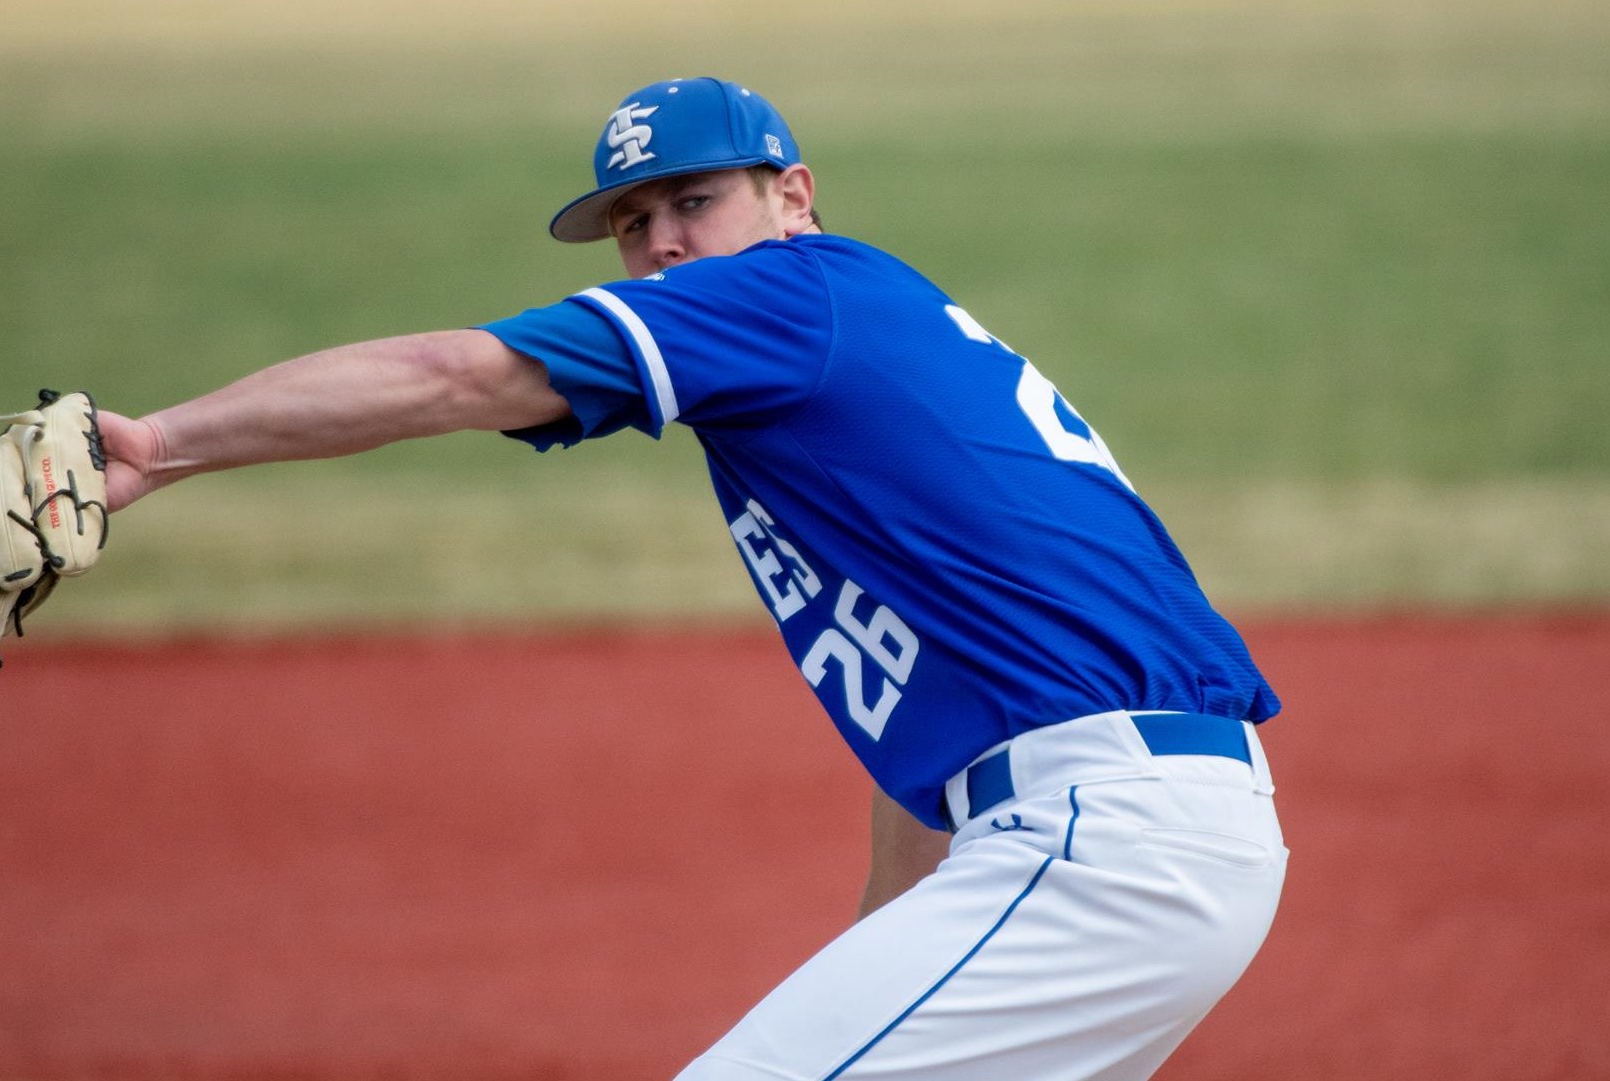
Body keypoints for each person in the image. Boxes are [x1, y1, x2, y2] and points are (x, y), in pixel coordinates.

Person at [97, 77, 1286, 1081]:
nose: (664, 240)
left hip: (1108, 845)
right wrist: (885, 949)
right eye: (634, 219)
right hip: (1127, 836)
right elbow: (935, 737)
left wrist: (161, 445)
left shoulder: (788, 299)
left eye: (696, 201)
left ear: (792, 197)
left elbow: (458, 375)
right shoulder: (848, 352)